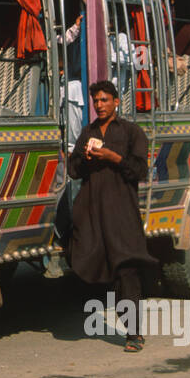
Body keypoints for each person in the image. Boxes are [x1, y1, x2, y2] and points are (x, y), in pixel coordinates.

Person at [66, 80, 157, 352]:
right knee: (82, 254)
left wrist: (112, 157)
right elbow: (73, 170)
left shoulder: (131, 132)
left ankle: (134, 333)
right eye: (96, 101)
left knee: (126, 269)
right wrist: (86, 158)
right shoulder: (88, 132)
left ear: (116, 102)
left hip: (121, 212)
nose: (100, 105)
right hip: (92, 210)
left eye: (105, 100)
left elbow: (139, 170)